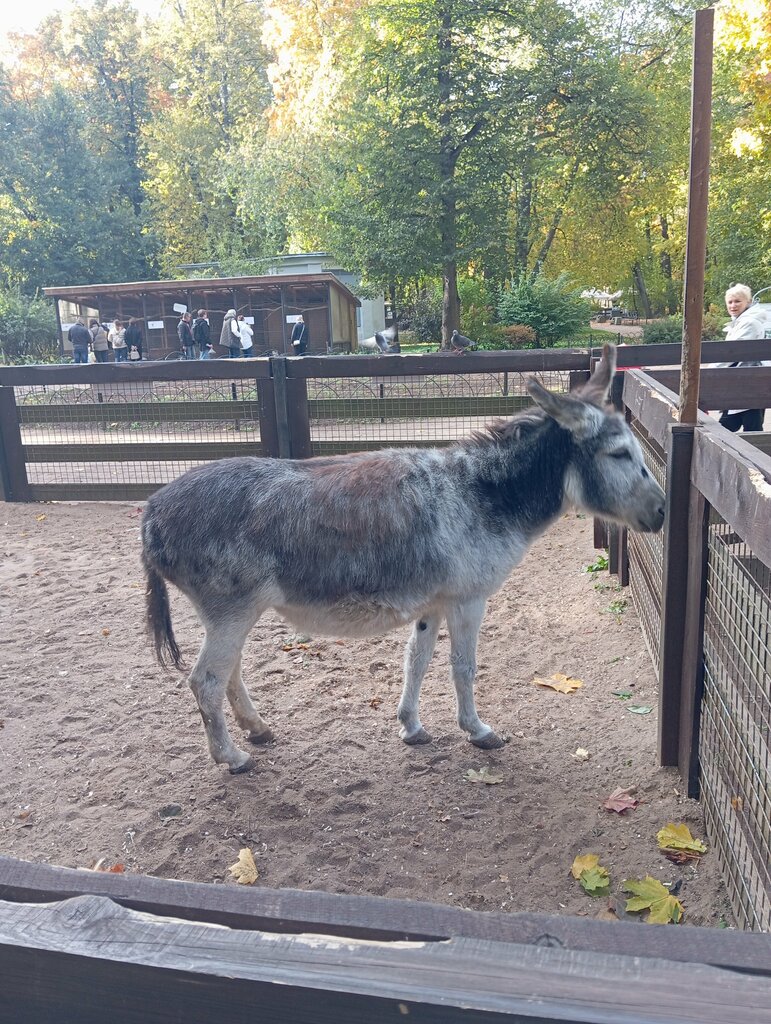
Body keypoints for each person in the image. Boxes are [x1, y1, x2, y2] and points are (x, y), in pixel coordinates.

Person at [718, 284, 768, 432]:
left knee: (750, 430)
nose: (733, 305)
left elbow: (732, 352)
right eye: (730, 302)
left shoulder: (749, 323)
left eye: (737, 301)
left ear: (748, 302)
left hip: (750, 383)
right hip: (740, 383)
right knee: (730, 426)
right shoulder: (738, 323)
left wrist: (708, 371)